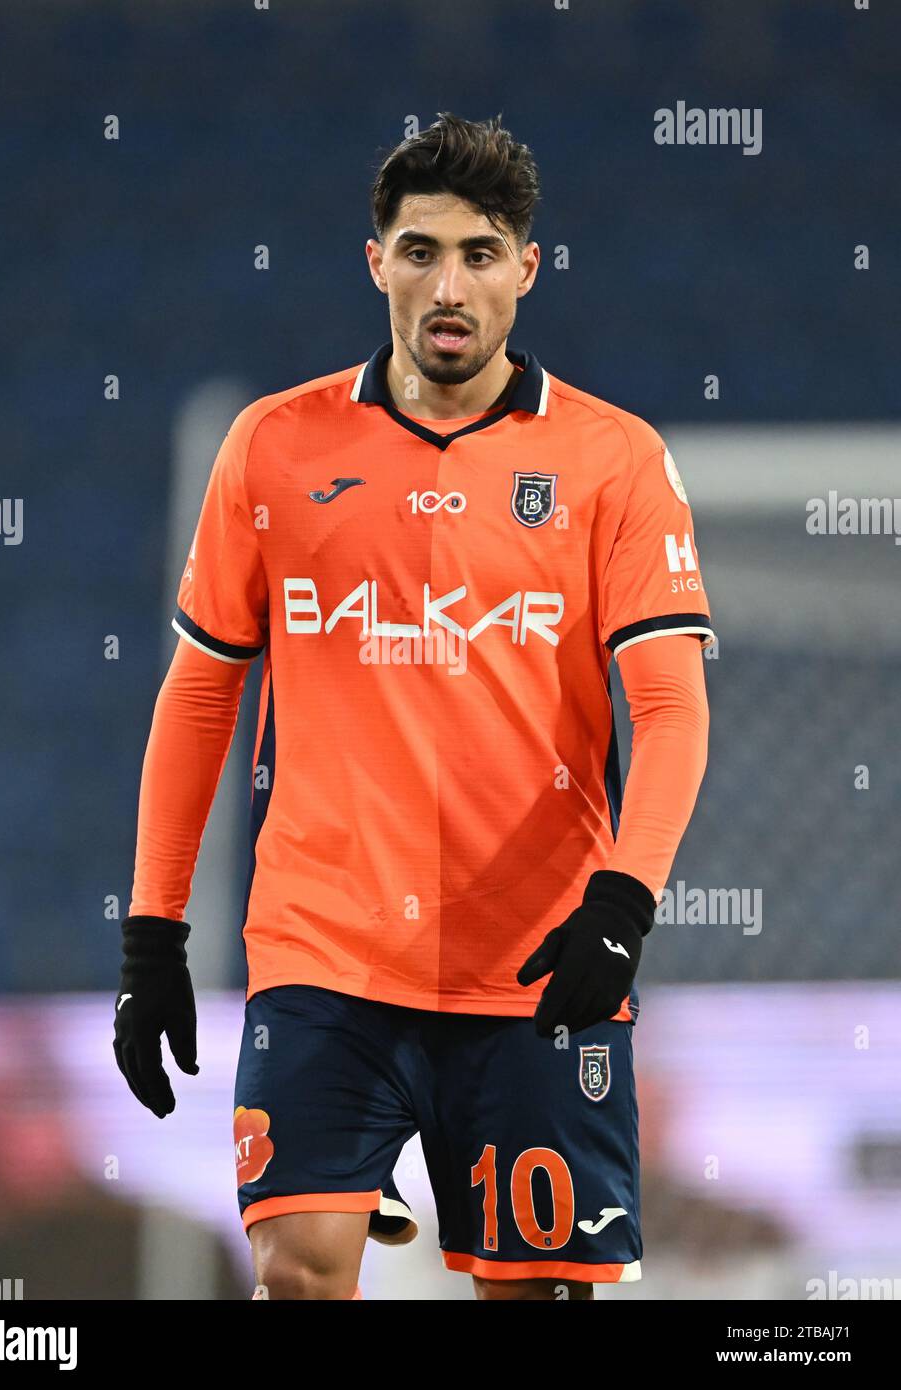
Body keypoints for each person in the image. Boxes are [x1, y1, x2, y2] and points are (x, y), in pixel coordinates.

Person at [113, 112, 714, 1301]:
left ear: (526, 272)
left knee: (531, 1293)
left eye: (481, 254)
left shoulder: (613, 459)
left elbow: (671, 704)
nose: (450, 284)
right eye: (422, 250)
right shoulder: (274, 447)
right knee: (299, 1266)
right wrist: (151, 935)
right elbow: (199, 698)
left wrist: (622, 904)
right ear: (375, 260)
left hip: (537, 959)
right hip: (325, 948)